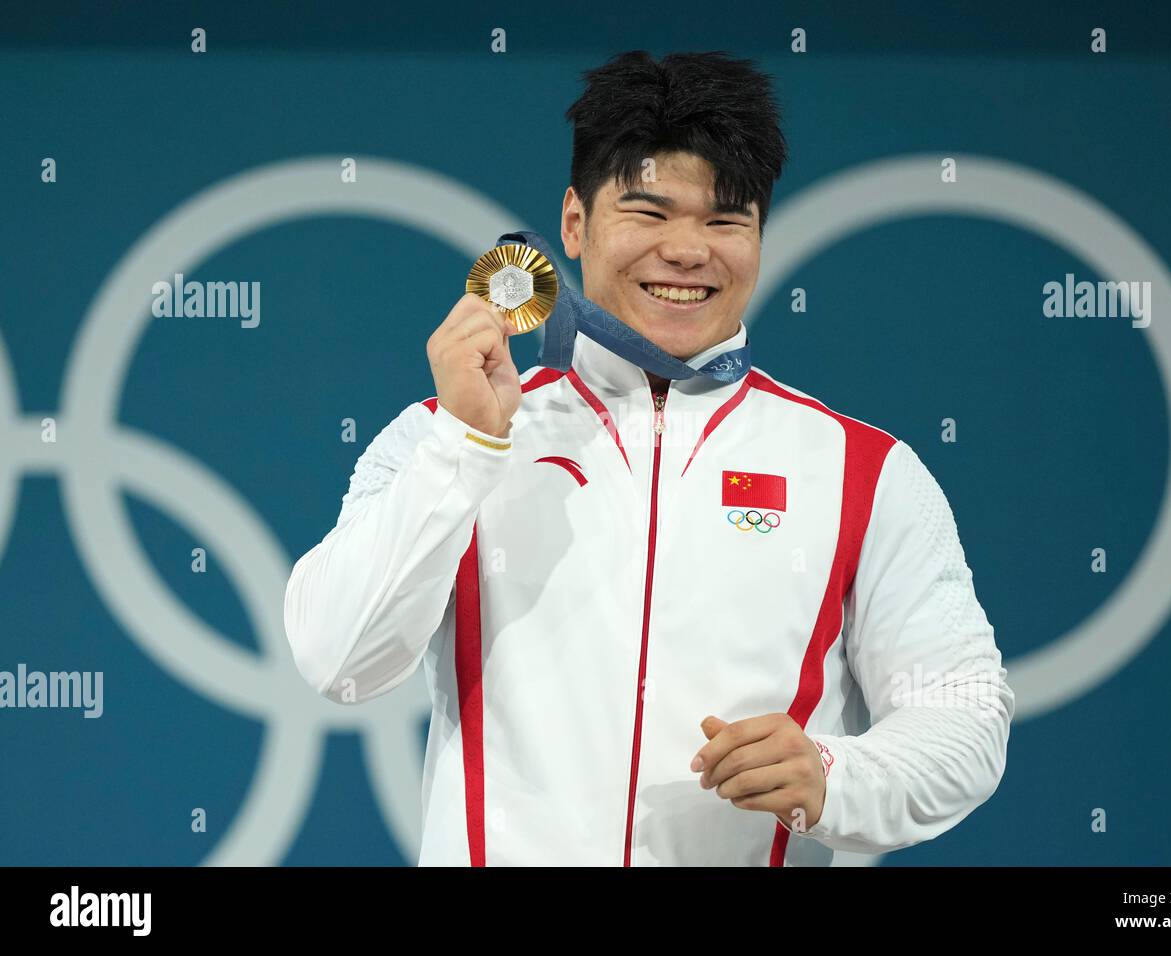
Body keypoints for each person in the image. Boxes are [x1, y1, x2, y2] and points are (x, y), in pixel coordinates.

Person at [283, 50, 1014, 866]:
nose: (689, 251)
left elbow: (966, 715)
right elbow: (338, 661)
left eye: (725, 220)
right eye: (649, 212)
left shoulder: (865, 470)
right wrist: (465, 448)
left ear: (761, 237)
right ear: (573, 222)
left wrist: (838, 773)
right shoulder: (444, 432)